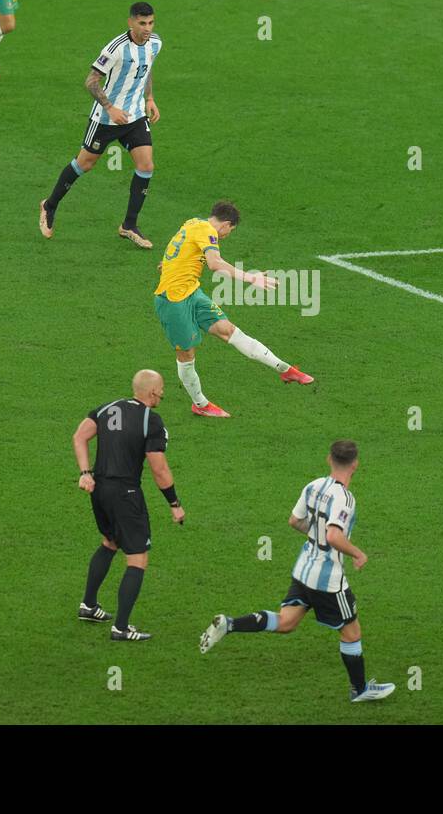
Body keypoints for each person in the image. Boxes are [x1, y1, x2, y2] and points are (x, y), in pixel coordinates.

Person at [198, 440, 395, 703]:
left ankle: (230, 624)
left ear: (329, 459)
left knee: (286, 622)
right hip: (328, 580)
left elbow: (294, 521)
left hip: (303, 569)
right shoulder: (345, 498)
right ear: (355, 464)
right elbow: (334, 535)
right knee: (351, 632)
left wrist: (315, 535)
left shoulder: (313, 485)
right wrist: (357, 553)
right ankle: (359, 690)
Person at [153, 200, 313, 419]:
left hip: (192, 291)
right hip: (172, 300)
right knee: (186, 353)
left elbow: (177, 247)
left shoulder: (193, 223)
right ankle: (199, 404)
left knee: (228, 330)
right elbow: (215, 264)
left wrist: (169, 265)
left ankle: (284, 369)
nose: (227, 235)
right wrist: (251, 278)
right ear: (226, 224)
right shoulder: (208, 232)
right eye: (230, 231)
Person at [72, 369, 185, 641]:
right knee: (137, 558)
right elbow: (159, 469)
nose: (163, 393)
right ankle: (121, 628)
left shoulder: (107, 408)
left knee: (110, 541)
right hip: (126, 493)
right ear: (152, 392)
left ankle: (88, 605)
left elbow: (79, 436)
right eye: (162, 388)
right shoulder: (151, 420)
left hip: (99, 490)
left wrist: (85, 473)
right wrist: (174, 503)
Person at [41, 2, 163, 247]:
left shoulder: (155, 43)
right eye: (141, 23)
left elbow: (146, 68)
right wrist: (110, 108)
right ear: (130, 22)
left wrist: (149, 98)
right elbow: (91, 81)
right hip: (106, 118)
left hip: (135, 116)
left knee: (146, 165)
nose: (147, 28)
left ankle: (129, 225)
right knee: (85, 164)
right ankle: (49, 205)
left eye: (150, 23)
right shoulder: (115, 49)